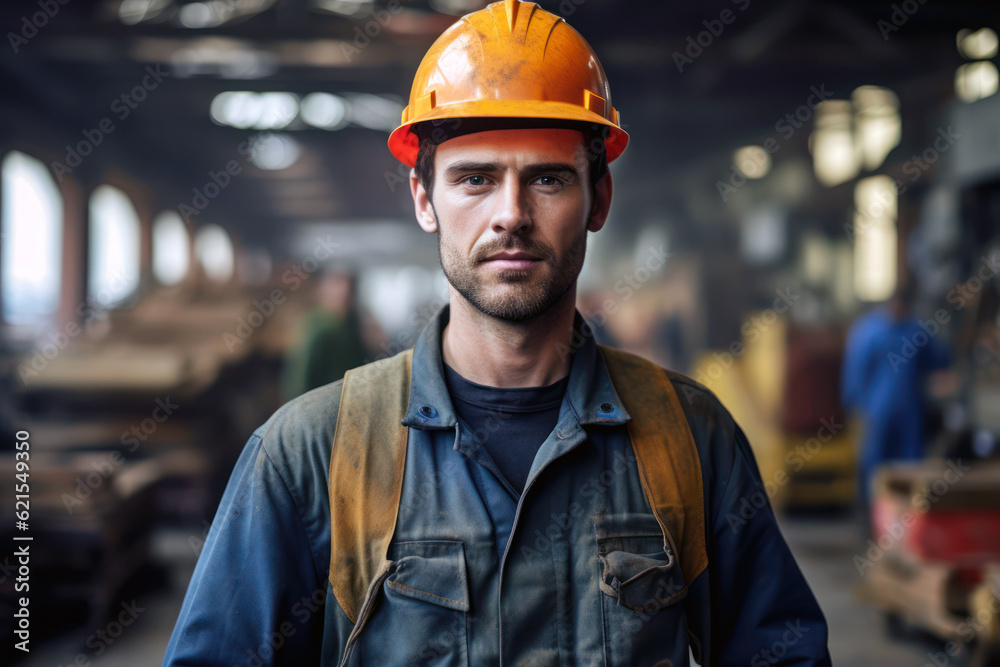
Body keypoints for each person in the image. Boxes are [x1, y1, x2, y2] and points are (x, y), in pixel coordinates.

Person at [163, 1, 831, 664]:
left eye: (547, 178)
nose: (510, 214)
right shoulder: (308, 455)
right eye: (474, 178)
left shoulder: (691, 438)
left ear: (598, 199)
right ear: (425, 200)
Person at [842, 281, 951, 507]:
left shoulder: (915, 330)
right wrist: (853, 405)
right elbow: (854, 372)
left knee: (909, 465)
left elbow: (940, 359)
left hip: (908, 411)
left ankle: (904, 517)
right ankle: (873, 516)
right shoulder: (869, 332)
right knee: (875, 466)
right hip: (876, 412)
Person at [280, 268, 369, 401]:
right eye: (337, 283)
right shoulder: (316, 328)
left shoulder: (350, 326)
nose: (343, 291)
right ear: (324, 288)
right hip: (320, 408)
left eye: (349, 286)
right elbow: (299, 383)